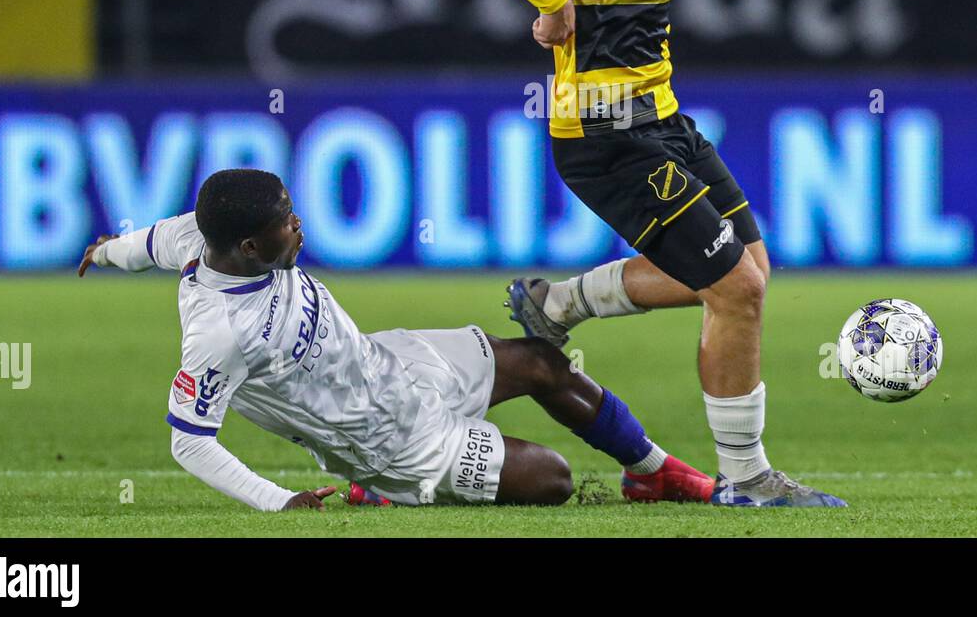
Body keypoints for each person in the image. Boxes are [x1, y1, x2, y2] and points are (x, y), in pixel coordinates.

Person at [449, 0, 845, 508]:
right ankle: (747, 479)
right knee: (735, 290)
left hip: (662, 116)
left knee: (754, 274)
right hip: (604, 129)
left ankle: (558, 305)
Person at [77, 168, 712, 510]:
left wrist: (105, 253)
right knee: (555, 481)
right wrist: (279, 502)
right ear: (247, 248)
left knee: (547, 361)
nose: (298, 227)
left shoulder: (200, 232)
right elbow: (190, 444)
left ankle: (653, 474)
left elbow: (146, 245)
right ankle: (376, 487)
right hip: (395, 443)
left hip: (396, 361)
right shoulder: (219, 335)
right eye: (285, 223)